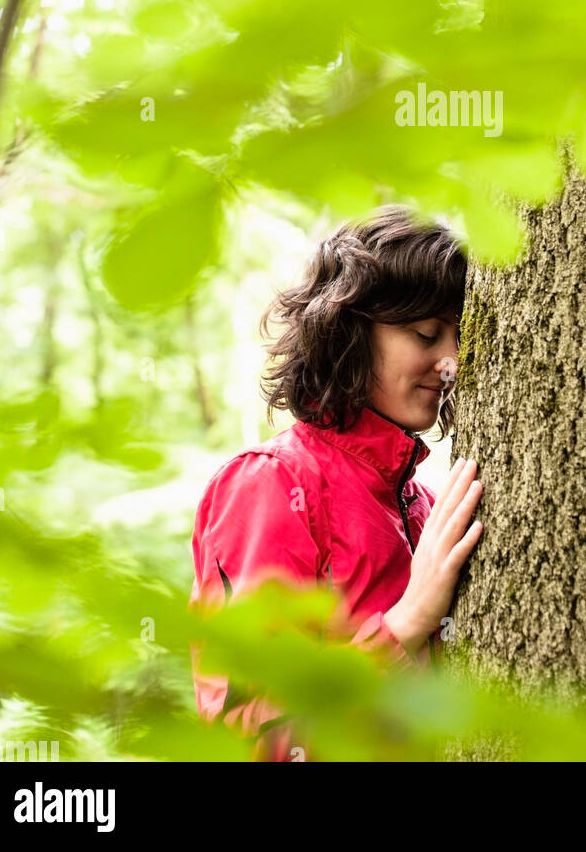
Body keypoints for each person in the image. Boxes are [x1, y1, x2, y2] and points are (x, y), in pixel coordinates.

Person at [188, 205, 484, 760]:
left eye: (461, 337)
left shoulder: (426, 508)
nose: (452, 362)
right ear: (348, 331)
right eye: (426, 333)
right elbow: (253, 740)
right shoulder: (272, 485)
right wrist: (406, 625)